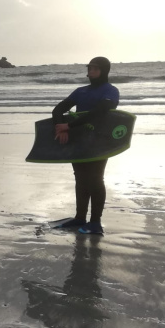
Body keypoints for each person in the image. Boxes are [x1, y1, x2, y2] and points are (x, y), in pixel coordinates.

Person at [51, 56, 119, 235]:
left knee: (96, 179)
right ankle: (80, 218)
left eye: (95, 68)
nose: (91, 71)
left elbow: (100, 111)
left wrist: (70, 125)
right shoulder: (80, 91)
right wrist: (62, 128)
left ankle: (95, 223)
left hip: (100, 141)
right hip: (79, 140)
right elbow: (58, 109)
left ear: (104, 70)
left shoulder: (110, 90)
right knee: (80, 178)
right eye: (90, 68)